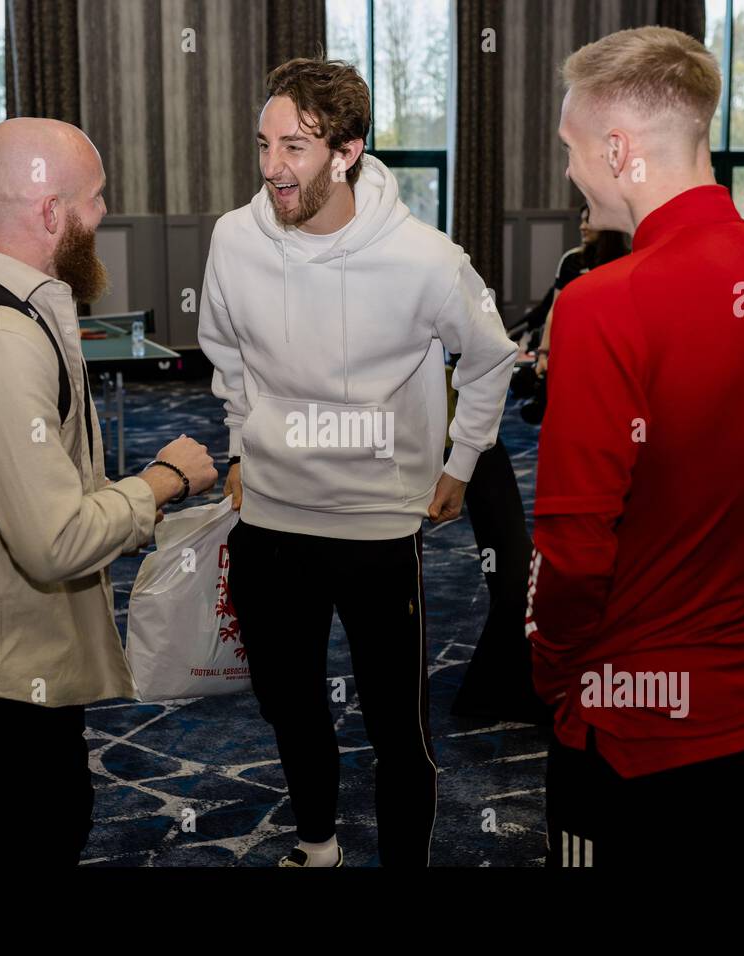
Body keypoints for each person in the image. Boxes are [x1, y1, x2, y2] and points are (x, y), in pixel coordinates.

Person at [528, 27, 744, 868]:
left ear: (619, 149)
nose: (569, 171)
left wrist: (554, 672)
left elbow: (575, 553)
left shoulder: (602, 304)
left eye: (573, 147)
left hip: (630, 732)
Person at [199, 57, 517, 867]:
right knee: (290, 707)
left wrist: (462, 460)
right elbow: (226, 353)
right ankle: (317, 845)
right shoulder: (234, 240)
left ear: (347, 151)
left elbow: (489, 358)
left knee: (394, 724)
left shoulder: (427, 259)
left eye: (296, 147)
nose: (273, 167)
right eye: (264, 144)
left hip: (378, 529)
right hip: (270, 519)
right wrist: (240, 443)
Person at [0, 118, 217, 866]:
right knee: (25, 846)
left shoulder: (25, 312)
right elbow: (55, 539)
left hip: (22, 661)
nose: (102, 218)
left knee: (54, 831)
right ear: (50, 211)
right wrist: (162, 482)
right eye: (95, 201)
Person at [528, 205, 629, 378]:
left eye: (587, 220)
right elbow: (555, 309)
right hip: (573, 347)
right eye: (581, 220)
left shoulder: (627, 260)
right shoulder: (572, 260)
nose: (582, 227)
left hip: (612, 352)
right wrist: (543, 352)